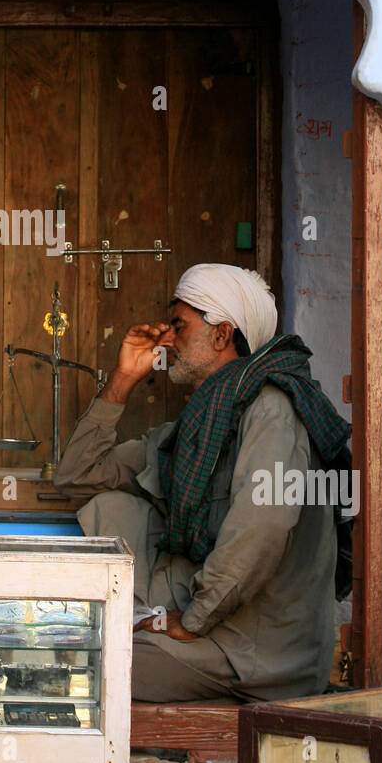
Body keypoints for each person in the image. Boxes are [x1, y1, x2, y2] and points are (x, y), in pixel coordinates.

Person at [54, 264, 351, 703]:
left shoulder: (272, 411)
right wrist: (123, 378)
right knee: (112, 505)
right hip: (217, 633)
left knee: (85, 664)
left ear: (221, 334)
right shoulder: (196, 429)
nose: (166, 341)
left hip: (256, 653)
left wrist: (191, 620)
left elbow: (261, 529)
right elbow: (78, 476)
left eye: (179, 325)